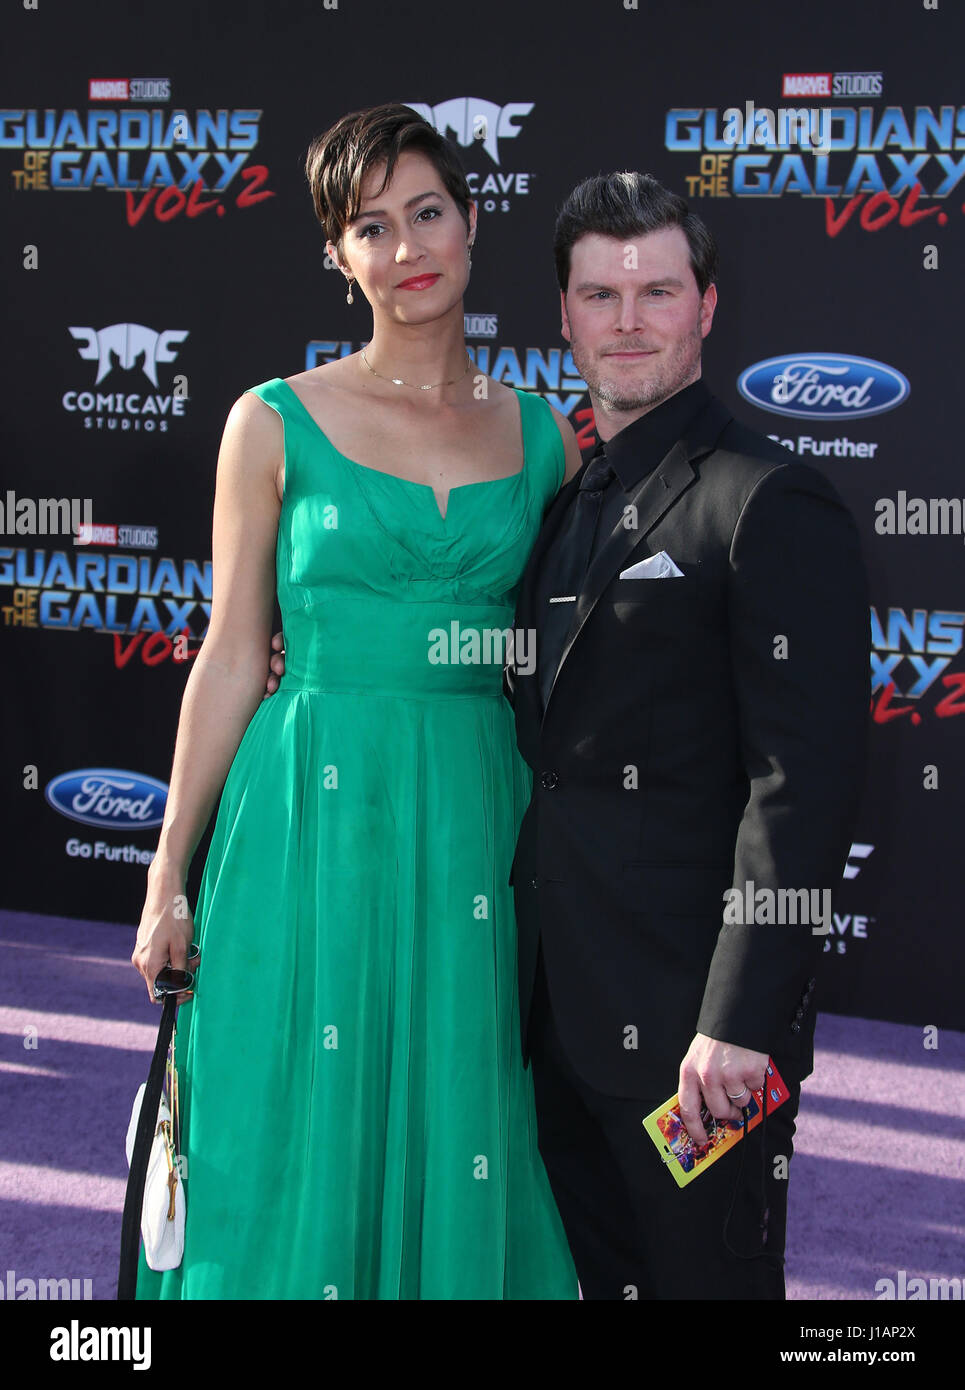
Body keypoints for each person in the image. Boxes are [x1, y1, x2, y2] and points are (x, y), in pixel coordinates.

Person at [130, 102, 581, 1300]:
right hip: (307, 810)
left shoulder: (543, 438)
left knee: (465, 1104)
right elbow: (231, 652)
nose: (404, 247)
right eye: (368, 226)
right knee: (290, 1106)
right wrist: (168, 872)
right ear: (338, 256)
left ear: (473, 222)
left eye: (425, 211)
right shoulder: (270, 420)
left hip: (478, 818)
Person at [507, 172, 870, 1299]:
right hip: (561, 1022)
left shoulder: (768, 500)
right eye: (598, 293)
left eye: (655, 290)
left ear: (704, 307)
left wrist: (740, 1027)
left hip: (700, 1052)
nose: (626, 320)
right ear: (561, 315)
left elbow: (798, 790)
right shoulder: (566, 499)